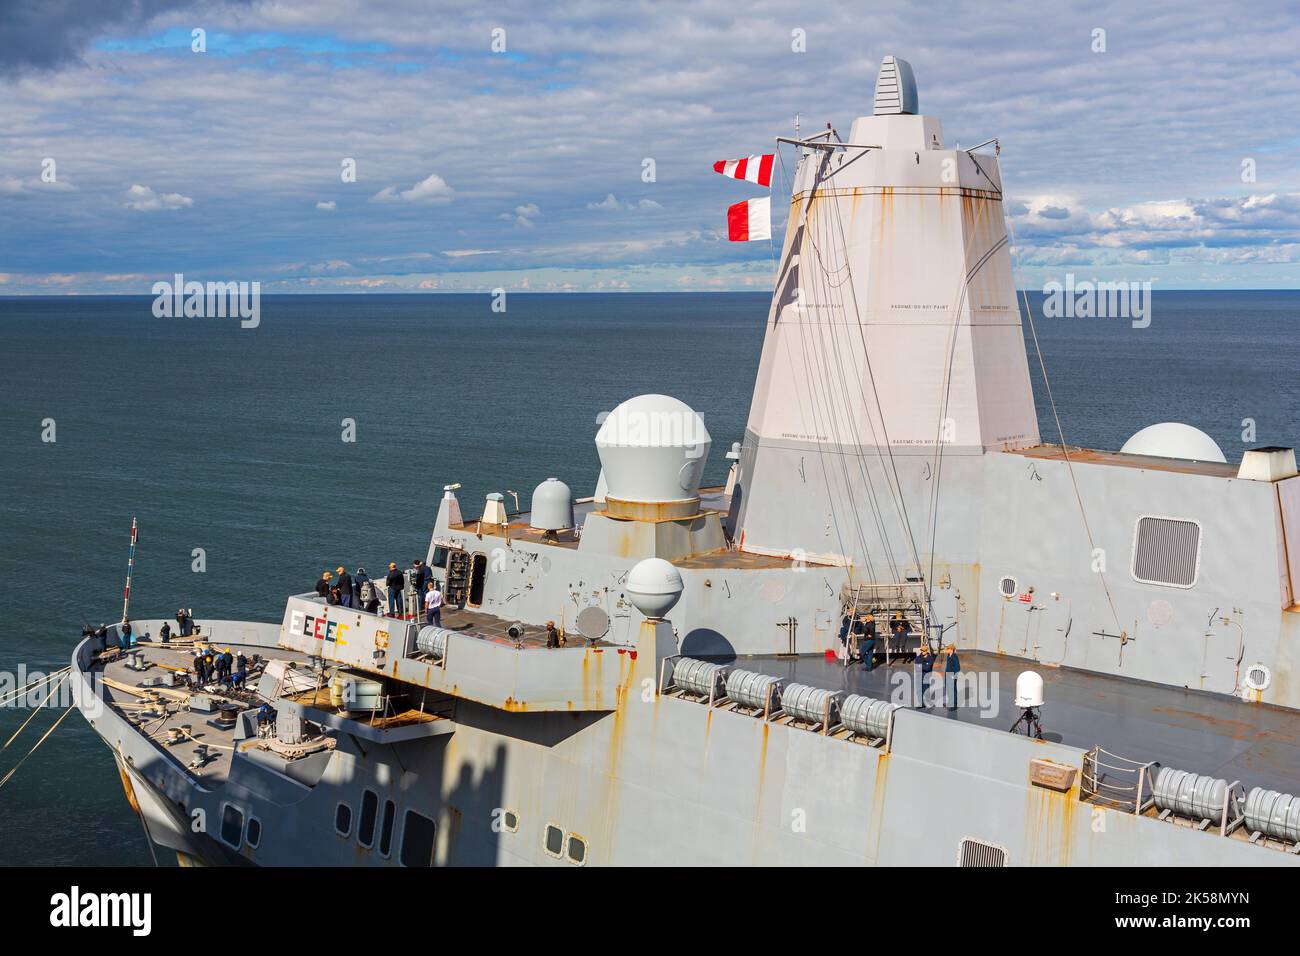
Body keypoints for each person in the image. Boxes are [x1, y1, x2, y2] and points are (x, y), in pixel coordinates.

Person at [916, 642, 934, 708]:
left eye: (923, 650)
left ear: (926, 651)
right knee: (919, 690)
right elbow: (917, 668)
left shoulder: (930, 658)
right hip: (919, 677)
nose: (922, 652)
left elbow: (928, 668)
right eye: (921, 650)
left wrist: (921, 665)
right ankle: (921, 703)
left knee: (926, 690)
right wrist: (924, 665)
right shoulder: (918, 658)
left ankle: (928, 702)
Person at [943, 644, 961, 710]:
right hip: (948, 675)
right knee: (949, 690)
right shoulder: (948, 655)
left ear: (951, 649)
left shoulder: (954, 656)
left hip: (952, 676)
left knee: (953, 690)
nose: (947, 650)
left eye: (948, 649)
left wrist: (954, 676)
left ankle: (954, 705)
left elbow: (958, 668)